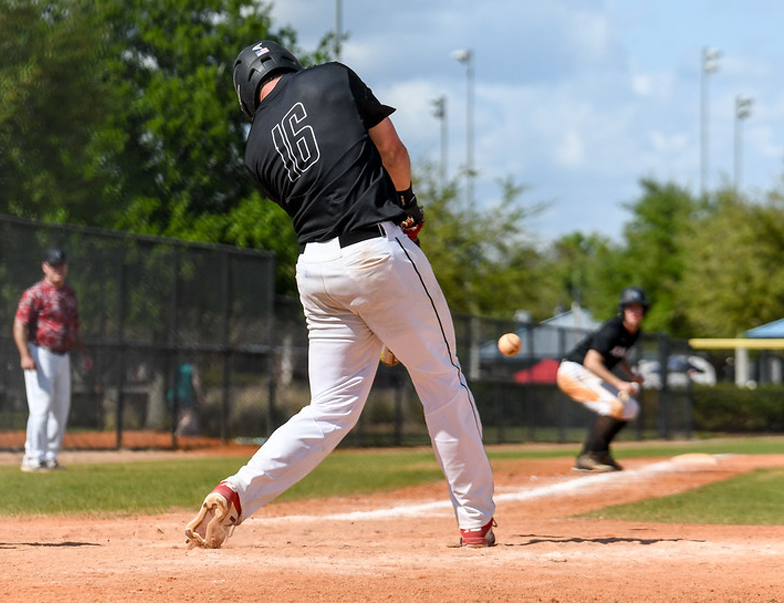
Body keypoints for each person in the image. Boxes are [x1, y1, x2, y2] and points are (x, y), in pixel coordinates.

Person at [185, 40, 496, 549]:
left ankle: (237, 489)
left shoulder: (254, 149)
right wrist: (407, 206)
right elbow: (391, 151)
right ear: (287, 63)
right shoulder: (333, 76)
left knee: (329, 410)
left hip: (316, 270)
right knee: (442, 380)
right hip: (376, 250)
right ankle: (475, 521)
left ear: (247, 93)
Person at [13, 246, 90, 472]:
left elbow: (74, 328)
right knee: (42, 405)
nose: (58, 269)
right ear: (45, 267)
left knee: (61, 407)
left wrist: (83, 352)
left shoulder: (69, 294)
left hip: (63, 355)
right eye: (54, 265)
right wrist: (25, 355)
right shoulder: (34, 293)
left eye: (61, 265)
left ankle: (49, 456)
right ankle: (32, 456)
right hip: (41, 353)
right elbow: (20, 324)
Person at [557, 286, 649, 472]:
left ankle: (601, 453)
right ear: (623, 309)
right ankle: (588, 455)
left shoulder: (633, 332)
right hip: (574, 372)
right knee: (613, 406)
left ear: (644, 310)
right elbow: (591, 362)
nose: (634, 310)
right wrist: (620, 383)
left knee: (630, 409)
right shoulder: (613, 328)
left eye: (638, 307)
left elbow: (618, 354)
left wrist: (631, 375)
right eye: (630, 306)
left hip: (589, 374)